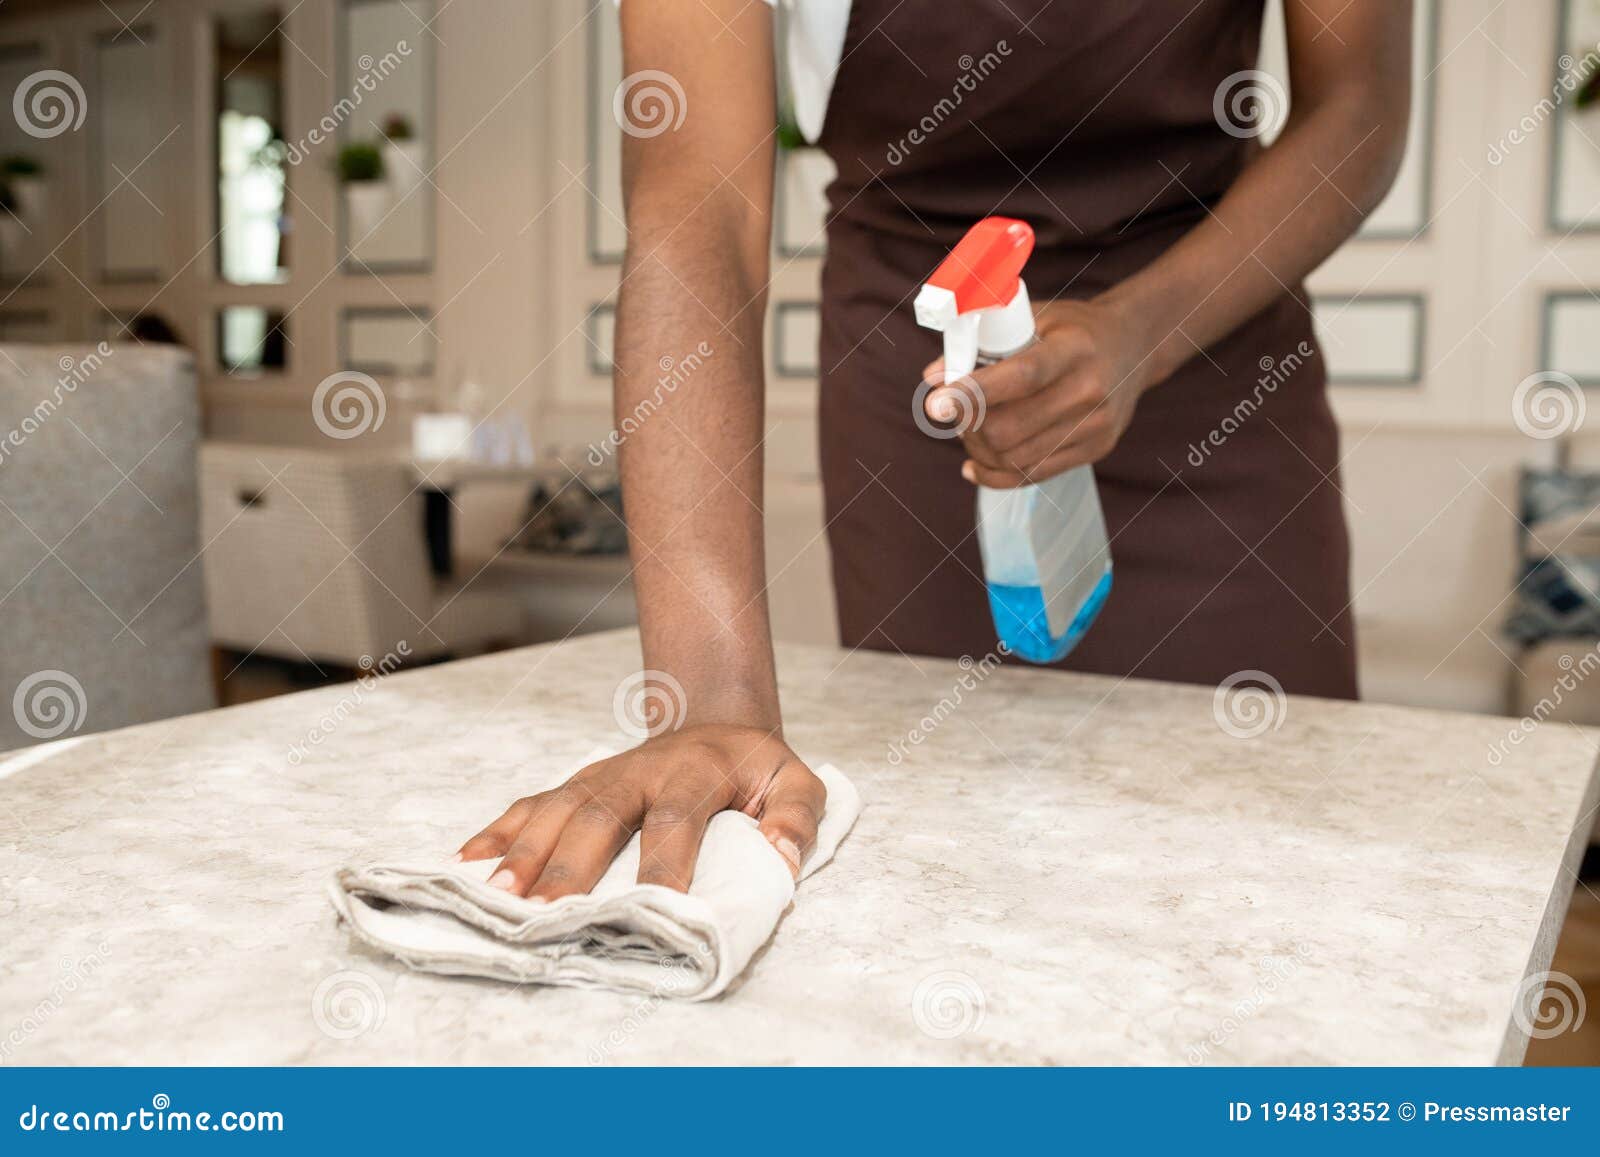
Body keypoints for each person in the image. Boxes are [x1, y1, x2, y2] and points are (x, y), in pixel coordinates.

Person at [459, 0, 1412, 896]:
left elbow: (1358, 104)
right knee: (960, 866)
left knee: (1266, 859)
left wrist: (1142, 335)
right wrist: (711, 706)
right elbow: (700, 194)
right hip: (920, 405)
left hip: (1212, 370)